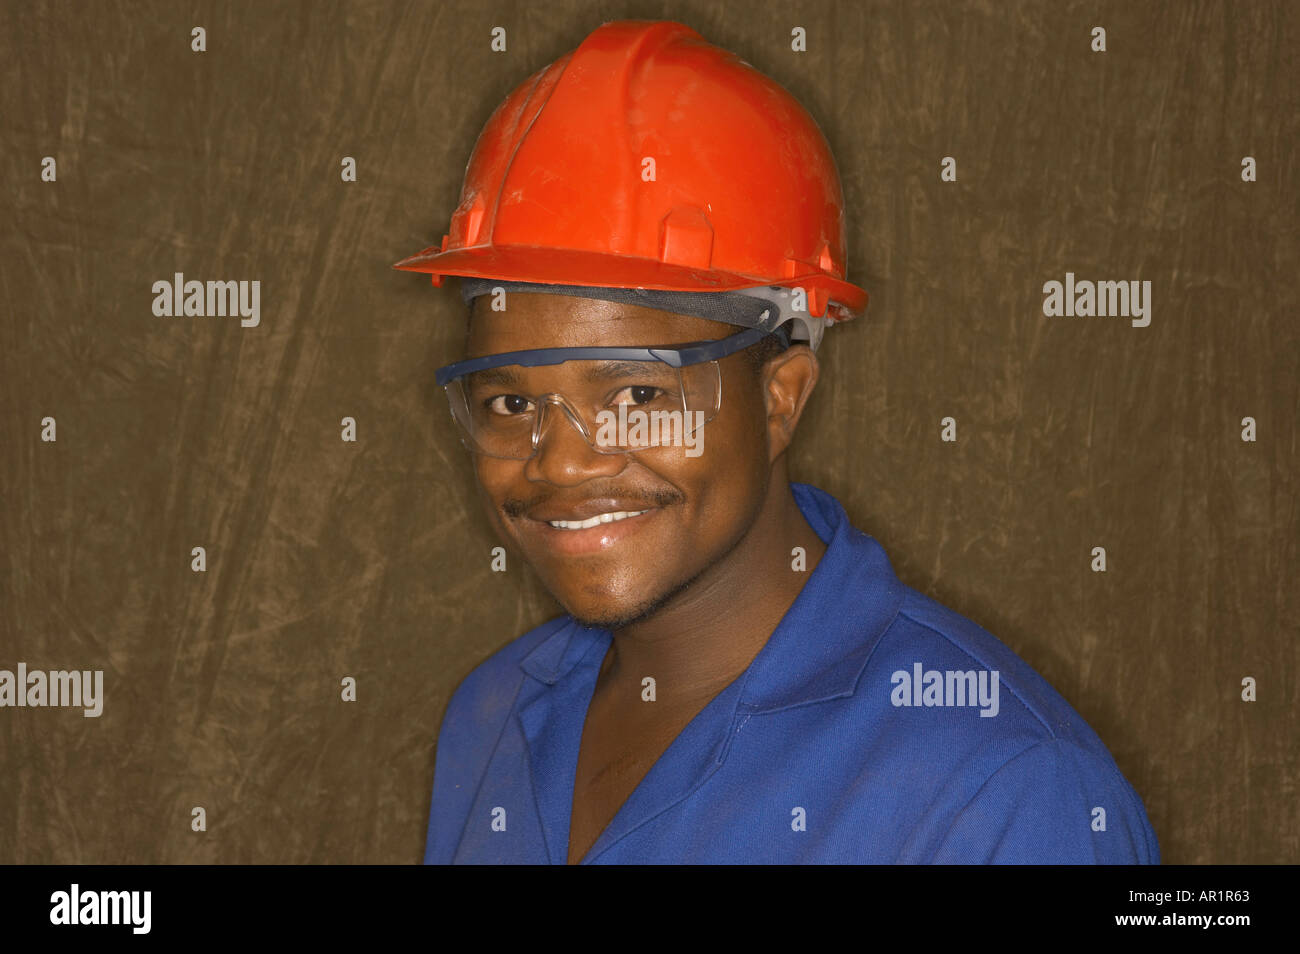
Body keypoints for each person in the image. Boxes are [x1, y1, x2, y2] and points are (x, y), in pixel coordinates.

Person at [394, 19, 1160, 864]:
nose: (563, 462)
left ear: (780, 400)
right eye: (508, 403)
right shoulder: (494, 712)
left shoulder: (1002, 790)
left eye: (640, 393)